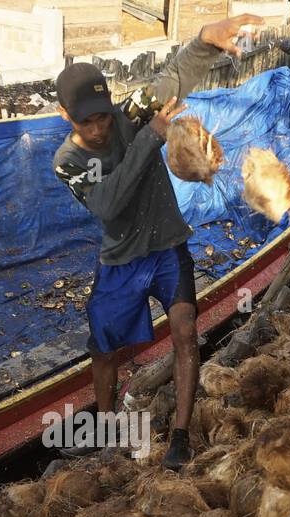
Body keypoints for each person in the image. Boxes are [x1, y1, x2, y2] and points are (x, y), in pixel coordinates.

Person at [52, 13, 263, 471]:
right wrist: (150, 137)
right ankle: (107, 432)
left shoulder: (129, 115)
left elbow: (171, 78)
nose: (100, 127)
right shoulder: (68, 161)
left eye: (105, 115)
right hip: (121, 261)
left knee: (186, 331)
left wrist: (205, 40)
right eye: (87, 121)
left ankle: (181, 438)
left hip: (167, 247)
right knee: (103, 350)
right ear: (66, 116)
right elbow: (109, 204)